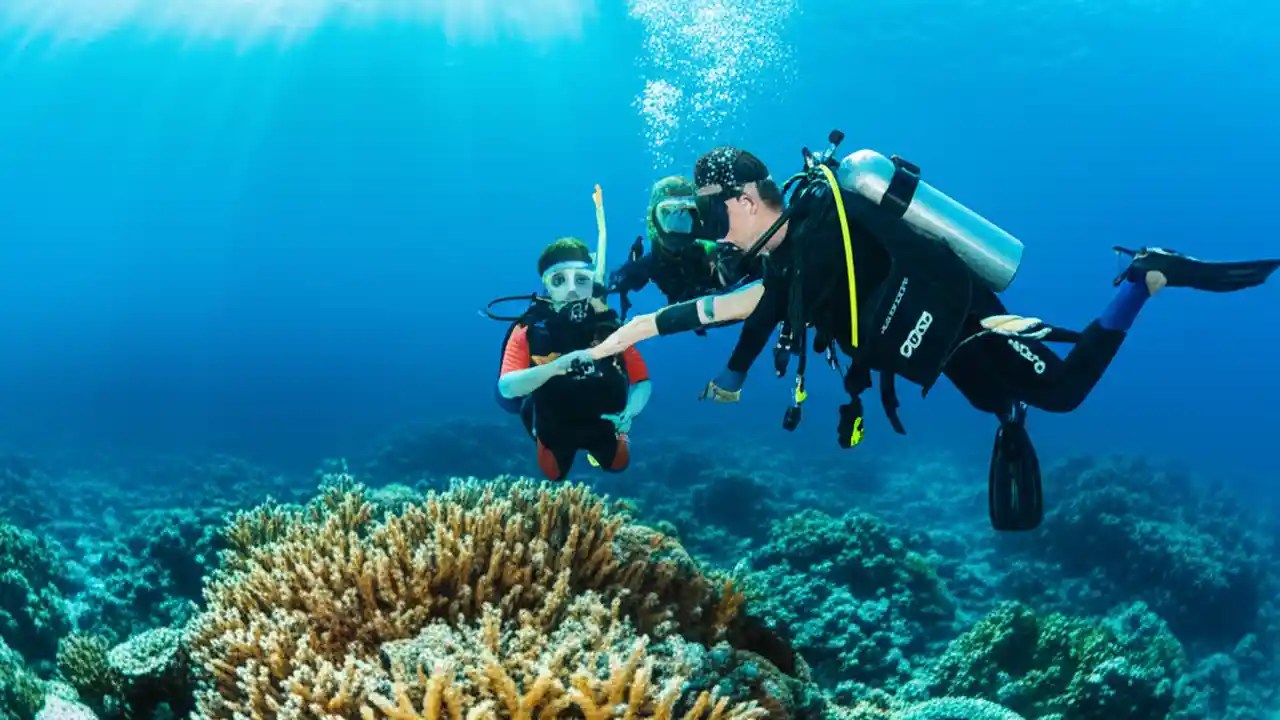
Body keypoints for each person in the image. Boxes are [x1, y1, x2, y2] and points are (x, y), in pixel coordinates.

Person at [588, 136, 1279, 530]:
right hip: (932, 342)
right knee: (994, 402)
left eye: (710, 219)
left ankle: (1145, 278)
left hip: (963, 322)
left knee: (1064, 391)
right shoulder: (789, 244)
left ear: (742, 201)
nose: (712, 236)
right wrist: (665, 331)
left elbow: (749, 307)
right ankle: (1010, 412)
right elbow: (757, 301)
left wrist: (654, 330)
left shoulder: (820, 227)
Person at [496, 236, 652, 481]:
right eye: (559, 280)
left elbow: (641, 379)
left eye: (581, 280)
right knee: (553, 474)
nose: (571, 290)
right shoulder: (530, 329)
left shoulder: (609, 328)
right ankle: (540, 432)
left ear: (592, 283)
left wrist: (630, 413)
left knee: (618, 464)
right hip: (553, 419)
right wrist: (555, 367)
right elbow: (506, 387)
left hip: (604, 418)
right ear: (546, 285)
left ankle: (615, 438)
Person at [608, 176, 762, 316]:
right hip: (691, 307)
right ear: (654, 219)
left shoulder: (709, 248)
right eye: (667, 213)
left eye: (686, 213)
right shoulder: (651, 263)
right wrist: (619, 279)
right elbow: (626, 276)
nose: (677, 226)